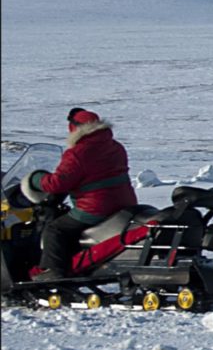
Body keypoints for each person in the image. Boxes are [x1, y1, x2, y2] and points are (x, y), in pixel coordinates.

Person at [21, 108, 139, 280]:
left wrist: (34, 179)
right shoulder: (115, 146)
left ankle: (52, 270)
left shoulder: (78, 153)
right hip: (124, 203)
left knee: (55, 229)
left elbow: (57, 183)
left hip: (95, 207)